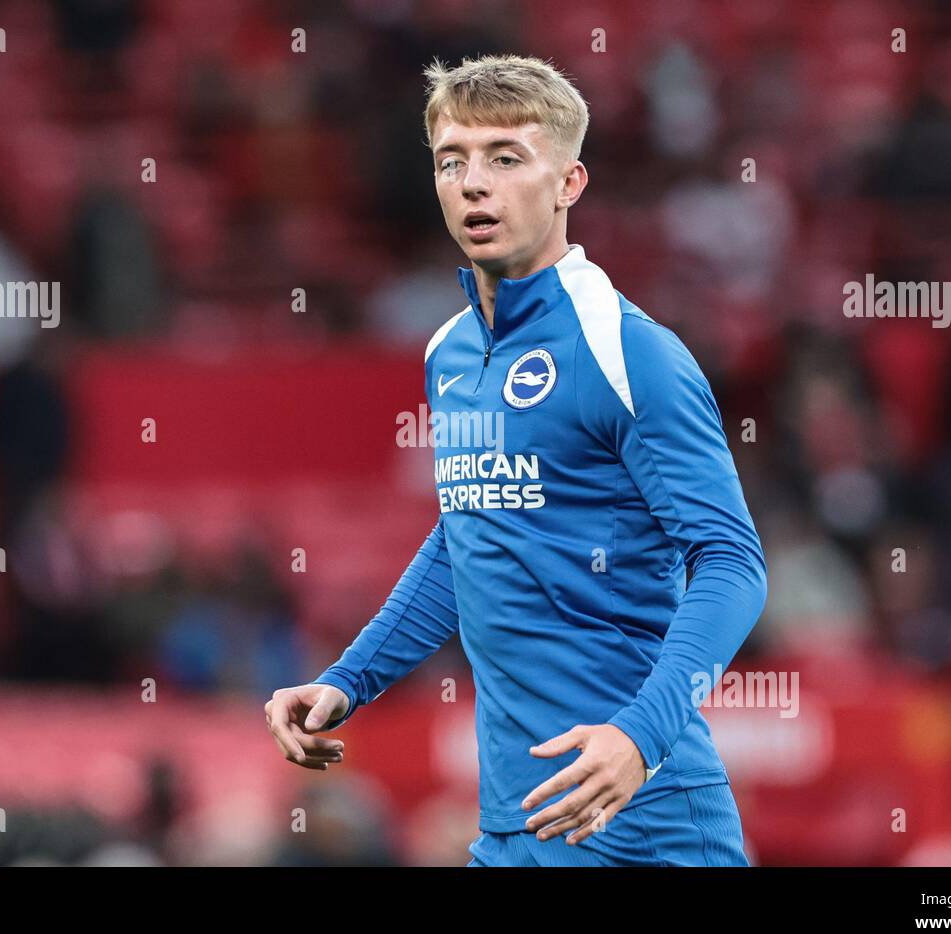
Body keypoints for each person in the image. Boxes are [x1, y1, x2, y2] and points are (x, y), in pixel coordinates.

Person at [265, 54, 766, 866]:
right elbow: (467, 535)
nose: (473, 183)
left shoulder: (628, 351)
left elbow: (733, 562)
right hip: (514, 825)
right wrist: (348, 679)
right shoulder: (450, 353)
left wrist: (639, 738)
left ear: (570, 182)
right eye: (451, 160)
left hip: (643, 820)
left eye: (506, 158)